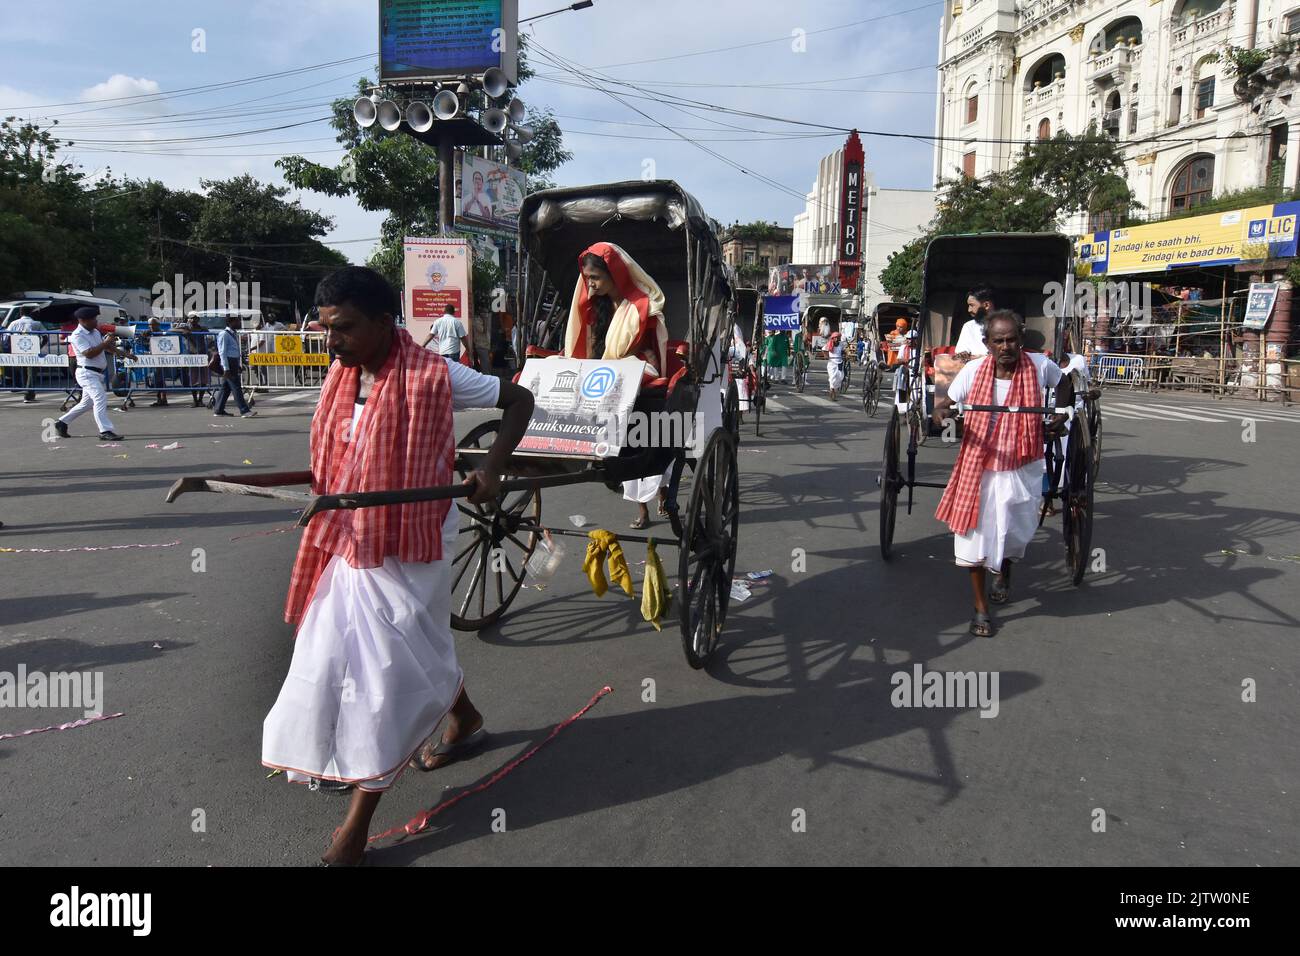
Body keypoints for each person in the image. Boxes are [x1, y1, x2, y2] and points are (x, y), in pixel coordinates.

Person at [262, 266, 534, 866]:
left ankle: (356, 826)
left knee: (387, 671)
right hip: (349, 541)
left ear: (386, 324)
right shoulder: (340, 376)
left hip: (415, 540)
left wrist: (490, 468)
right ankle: (465, 719)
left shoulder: (435, 375)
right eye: (326, 329)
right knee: (374, 654)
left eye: (346, 329)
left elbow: (519, 400)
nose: (333, 342)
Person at [931, 311, 1072, 638]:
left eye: (1011, 340)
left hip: (1022, 465)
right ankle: (981, 607)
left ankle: (1004, 569)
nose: (1006, 346)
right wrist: (944, 413)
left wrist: (1061, 415)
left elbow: (1063, 383)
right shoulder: (974, 369)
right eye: (999, 341)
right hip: (978, 465)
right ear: (987, 344)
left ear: (1020, 339)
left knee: (1011, 532)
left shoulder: (1038, 366)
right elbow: (944, 405)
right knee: (975, 538)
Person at [561, 242, 670, 528]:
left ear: (615, 275)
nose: (591, 285)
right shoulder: (595, 308)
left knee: (628, 415)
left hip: (640, 368)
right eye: (587, 279)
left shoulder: (642, 303)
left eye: (595, 278)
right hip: (611, 374)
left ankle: (658, 495)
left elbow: (640, 349)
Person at [54, 307, 128, 441]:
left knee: (87, 403)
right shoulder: (77, 335)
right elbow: (89, 353)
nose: (96, 321)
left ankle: (62, 422)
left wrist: (125, 354)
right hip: (87, 373)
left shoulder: (94, 332)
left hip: (95, 373)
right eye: (93, 319)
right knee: (100, 398)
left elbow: (106, 347)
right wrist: (105, 343)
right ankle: (105, 430)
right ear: (83, 321)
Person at [213, 314, 256, 418]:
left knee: (225, 388)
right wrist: (226, 368)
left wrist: (237, 365)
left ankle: (219, 410)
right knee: (236, 388)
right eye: (237, 321)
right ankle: (244, 410)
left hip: (233, 362)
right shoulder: (224, 334)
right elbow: (222, 352)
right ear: (230, 322)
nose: (239, 323)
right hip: (228, 363)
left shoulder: (232, 333)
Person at [7, 306, 43, 402]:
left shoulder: (13, 323)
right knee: (31, 373)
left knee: (21, 371)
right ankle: (28, 395)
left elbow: (6, 336)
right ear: (31, 313)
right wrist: (39, 346)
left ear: (20, 313)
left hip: (17, 350)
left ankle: (24, 389)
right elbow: (45, 336)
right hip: (32, 350)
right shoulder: (36, 323)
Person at [954, 286, 996, 360]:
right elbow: (960, 354)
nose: (969, 310)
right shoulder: (969, 326)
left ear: (986, 305)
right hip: (973, 366)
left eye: (972, 305)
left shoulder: (1006, 325)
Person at [825, 327, 845, 400]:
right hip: (832, 363)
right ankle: (832, 392)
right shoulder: (830, 343)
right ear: (833, 338)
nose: (837, 339)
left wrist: (845, 354)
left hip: (839, 363)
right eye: (836, 338)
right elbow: (824, 350)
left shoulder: (841, 344)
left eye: (838, 338)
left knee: (840, 377)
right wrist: (827, 356)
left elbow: (843, 351)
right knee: (832, 377)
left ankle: (833, 389)